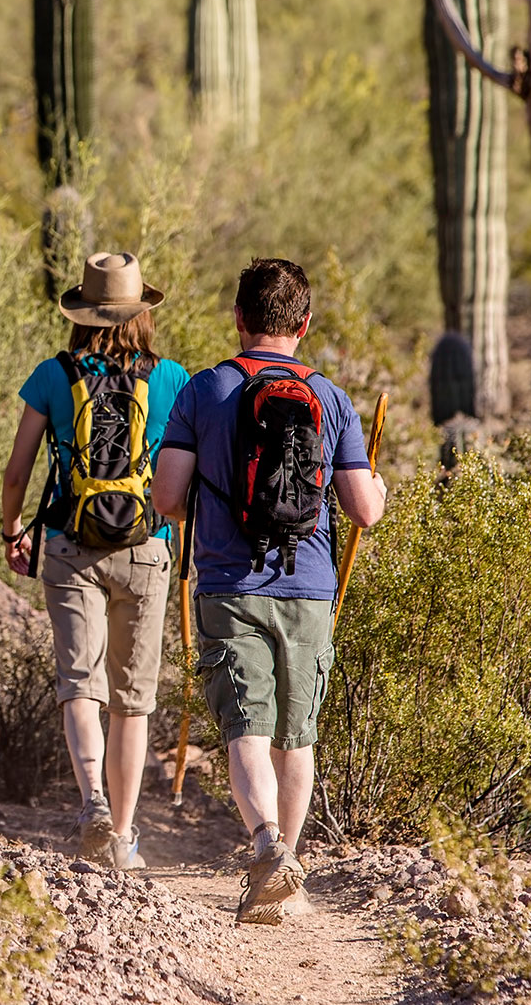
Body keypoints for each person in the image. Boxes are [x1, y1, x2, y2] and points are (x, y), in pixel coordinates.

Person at [151, 257, 387, 923]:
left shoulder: (203, 391)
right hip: (309, 587)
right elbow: (363, 510)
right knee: (296, 735)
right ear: (304, 324)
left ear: (238, 317)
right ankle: (287, 873)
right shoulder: (330, 398)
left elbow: (166, 498)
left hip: (228, 583)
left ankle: (266, 847)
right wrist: (378, 489)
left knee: (245, 727)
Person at [0, 252, 190, 869]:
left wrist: (12, 530)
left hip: (68, 544)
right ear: (142, 314)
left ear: (80, 314)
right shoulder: (172, 380)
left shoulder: (52, 376)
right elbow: (188, 472)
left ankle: (93, 805)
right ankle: (124, 837)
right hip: (147, 548)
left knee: (81, 684)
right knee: (132, 699)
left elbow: (16, 471)